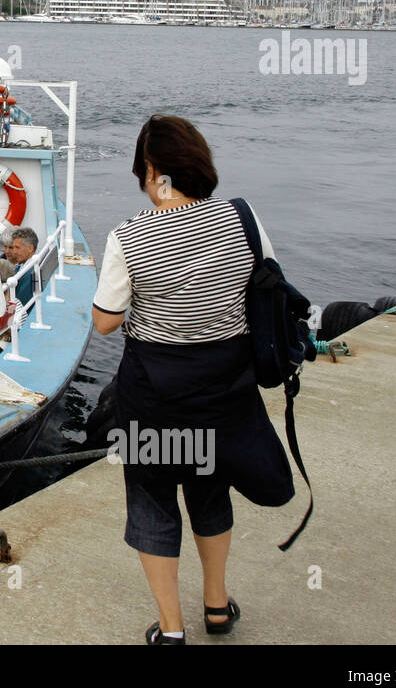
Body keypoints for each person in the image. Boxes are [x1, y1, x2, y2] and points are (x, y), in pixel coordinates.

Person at [91, 113, 293, 644]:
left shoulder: (127, 235)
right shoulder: (242, 216)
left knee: (153, 499)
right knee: (209, 490)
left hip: (153, 395)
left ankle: (173, 629)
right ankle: (217, 606)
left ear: (152, 169)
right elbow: (268, 280)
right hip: (225, 389)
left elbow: (106, 324)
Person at [2, 226, 39, 308]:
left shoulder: (30, 274)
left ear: (30, 248)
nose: (14, 252)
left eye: (17, 248)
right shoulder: (23, 267)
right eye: (14, 247)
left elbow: (20, 306)